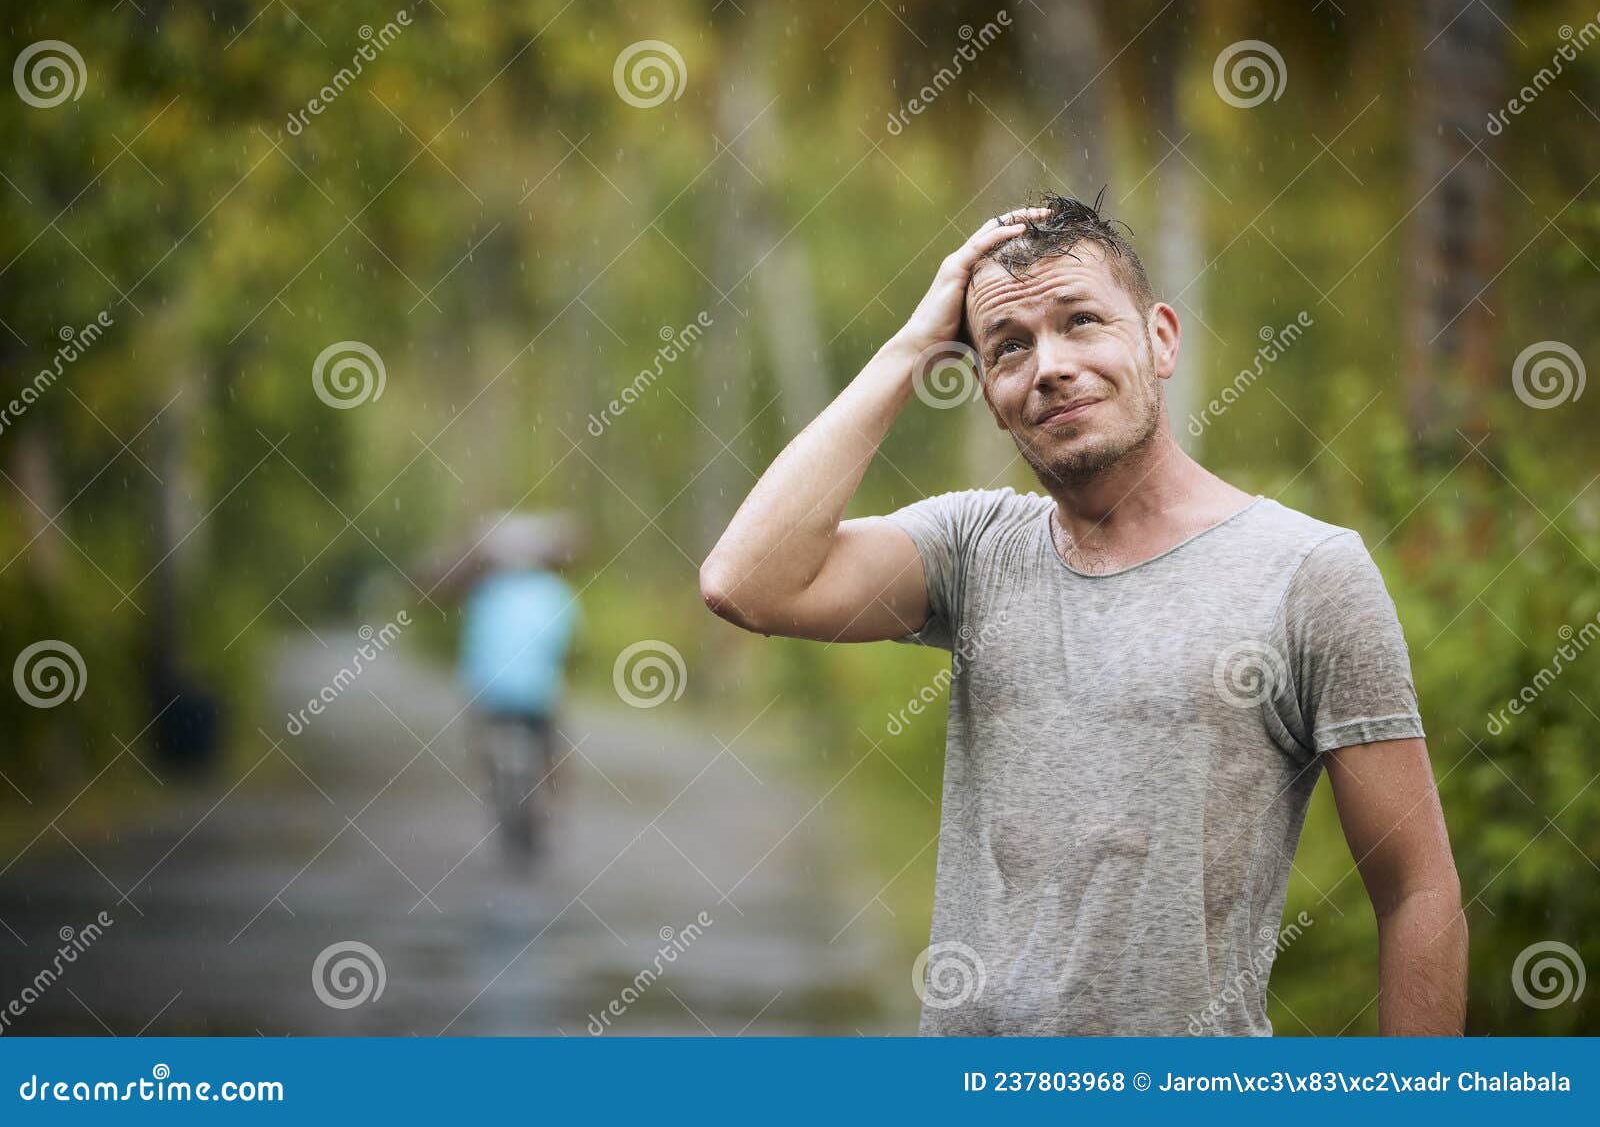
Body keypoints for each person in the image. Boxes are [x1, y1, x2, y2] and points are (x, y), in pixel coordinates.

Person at [698, 193, 1467, 1035]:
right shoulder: (974, 546)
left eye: (1082, 321)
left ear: (1161, 338)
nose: (1051, 366)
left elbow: (1416, 890)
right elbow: (748, 581)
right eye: (1010, 347)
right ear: (991, 395)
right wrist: (914, 344)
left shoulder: (1308, 572)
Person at [448, 512, 582, 854]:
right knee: (552, 749)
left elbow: (472, 644)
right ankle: (553, 799)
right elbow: (568, 644)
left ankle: (492, 789)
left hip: (489, 692)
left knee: (482, 746)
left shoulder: (486, 592)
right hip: (537, 694)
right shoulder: (554, 592)